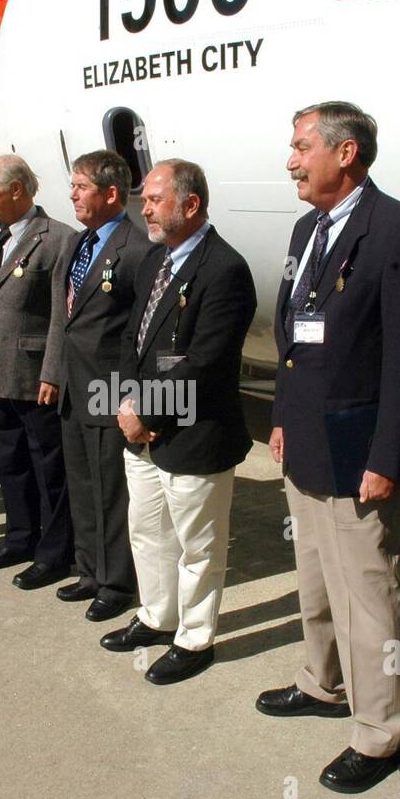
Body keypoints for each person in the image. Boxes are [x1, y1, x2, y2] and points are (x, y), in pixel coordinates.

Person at [257, 102, 400, 793]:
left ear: (346, 154)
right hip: (303, 442)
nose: (290, 159)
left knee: (367, 597)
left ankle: (378, 730)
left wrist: (389, 458)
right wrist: (280, 413)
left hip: (358, 451)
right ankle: (321, 680)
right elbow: (292, 335)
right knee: (314, 582)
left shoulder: (398, 232)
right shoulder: (309, 227)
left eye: (302, 146)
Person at [99, 159, 256, 685]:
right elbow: (133, 340)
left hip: (194, 435)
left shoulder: (225, 270)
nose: (144, 208)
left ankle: (194, 638)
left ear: (190, 205)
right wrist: (128, 403)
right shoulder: (154, 261)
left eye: (155, 200)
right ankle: (157, 616)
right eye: (144, 199)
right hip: (140, 430)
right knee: (148, 533)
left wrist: (147, 413)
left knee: (197, 546)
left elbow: (205, 363)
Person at [0, 155, 78, 590]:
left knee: (48, 469)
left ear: (17, 189)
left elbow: (60, 316)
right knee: (10, 463)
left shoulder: (57, 240)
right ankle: (20, 538)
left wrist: (52, 372)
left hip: (36, 377)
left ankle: (54, 554)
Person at [55, 151, 149, 622]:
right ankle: (89, 569)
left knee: (112, 493)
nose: (72, 194)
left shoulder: (136, 249)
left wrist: (133, 395)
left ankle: (116, 584)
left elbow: (138, 333)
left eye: (81, 186)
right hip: (74, 387)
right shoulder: (79, 242)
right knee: (83, 485)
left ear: (112, 194)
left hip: (110, 390)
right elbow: (67, 321)